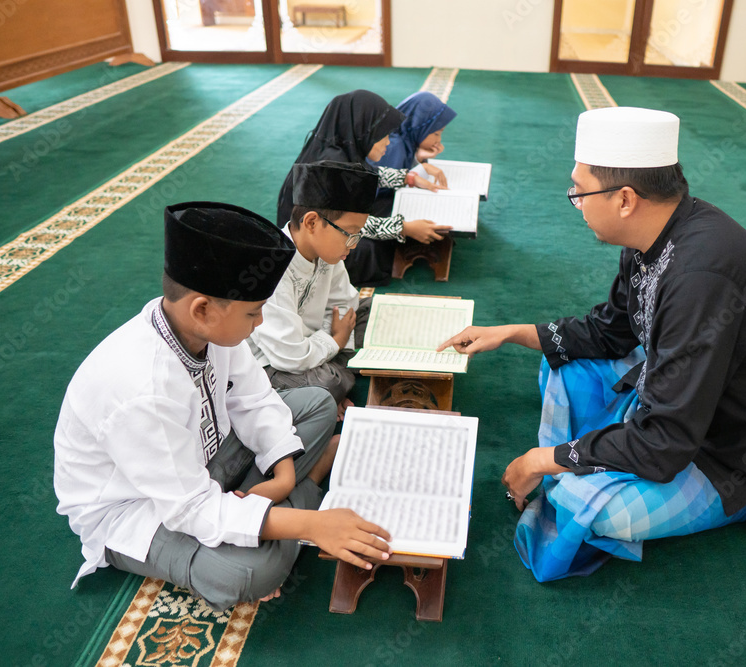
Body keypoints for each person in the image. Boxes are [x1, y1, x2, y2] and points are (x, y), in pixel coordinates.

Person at [438, 107, 746, 582]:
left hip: (732, 455)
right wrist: (512, 333)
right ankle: (584, 460)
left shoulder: (702, 278)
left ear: (624, 199)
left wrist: (541, 459)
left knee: (585, 507)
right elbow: (610, 330)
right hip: (681, 403)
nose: (575, 201)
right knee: (564, 365)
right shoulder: (653, 234)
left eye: (579, 192)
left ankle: (588, 474)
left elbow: (665, 443)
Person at [53, 201, 391, 611]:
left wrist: (283, 479)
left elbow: (256, 398)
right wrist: (313, 525)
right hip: (141, 511)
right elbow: (189, 508)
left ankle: (278, 500)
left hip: (210, 465)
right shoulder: (143, 389)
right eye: (254, 311)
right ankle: (311, 481)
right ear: (202, 308)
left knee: (317, 402)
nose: (261, 322)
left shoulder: (203, 331)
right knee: (247, 574)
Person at [275, 89, 451, 288]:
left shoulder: (345, 149)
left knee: (386, 207)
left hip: (333, 222)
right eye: (383, 135)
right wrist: (404, 228)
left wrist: (410, 178)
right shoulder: (332, 161)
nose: (387, 141)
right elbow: (344, 225)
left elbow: (369, 174)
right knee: (370, 250)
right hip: (313, 241)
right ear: (363, 131)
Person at [250, 161, 377, 419]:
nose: (353, 245)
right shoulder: (271, 269)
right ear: (311, 222)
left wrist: (331, 338)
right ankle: (336, 385)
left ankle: (336, 380)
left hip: (312, 345)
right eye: (350, 234)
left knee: (374, 313)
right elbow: (288, 356)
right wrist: (336, 340)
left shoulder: (327, 254)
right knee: (328, 385)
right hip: (271, 365)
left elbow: (346, 305)